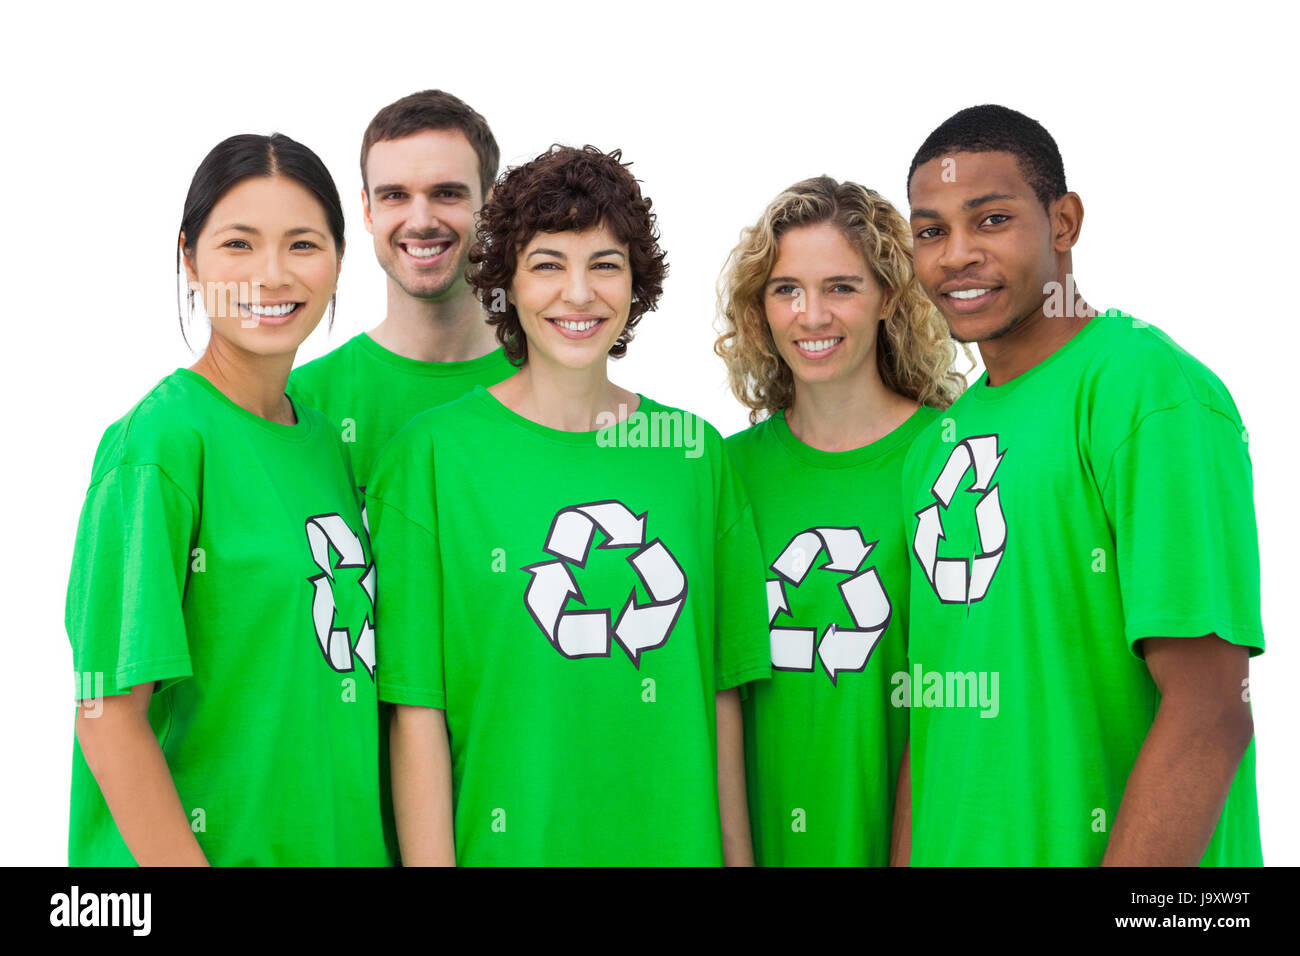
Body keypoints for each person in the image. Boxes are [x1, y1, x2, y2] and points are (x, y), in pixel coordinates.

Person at [367, 145, 771, 865]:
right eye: (548, 264)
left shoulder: (694, 455)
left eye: (605, 264)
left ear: (636, 283)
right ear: (509, 284)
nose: (578, 294)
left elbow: (722, 698)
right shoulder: (428, 460)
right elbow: (415, 710)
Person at [899, 104, 1263, 866]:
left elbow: (1209, 709)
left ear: (1063, 221)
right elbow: (935, 727)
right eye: (931, 231)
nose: (956, 255)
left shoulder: (1146, 390)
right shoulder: (934, 448)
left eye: (991, 219)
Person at [66, 133, 391, 866]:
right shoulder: (160, 442)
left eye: (303, 245)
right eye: (238, 245)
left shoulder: (324, 443)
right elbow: (107, 714)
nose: (271, 275)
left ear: (339, 261)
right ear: (190, 259)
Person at [715, 176, 965, 866]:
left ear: (888, 295)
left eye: (841, 287)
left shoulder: (951, 460)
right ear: (760, 307)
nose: (811, 315)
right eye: (786, 289)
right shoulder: (720, 474)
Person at [289, 89, 514, 489]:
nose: (421, 220)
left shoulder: (551, 379)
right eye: (395, 196)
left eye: (447, 193)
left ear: (491, 205)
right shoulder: (299, 401)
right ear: (367, 210)